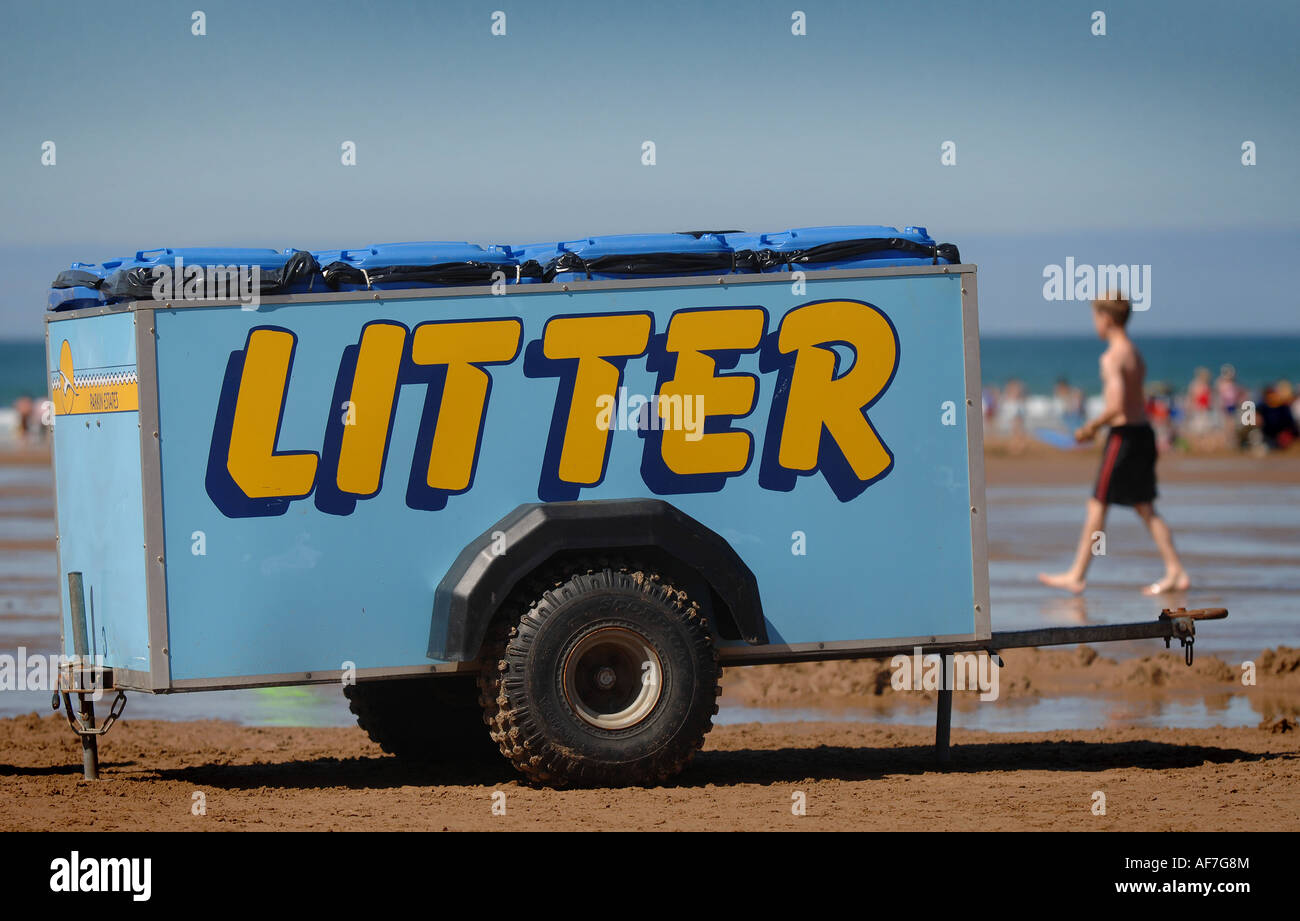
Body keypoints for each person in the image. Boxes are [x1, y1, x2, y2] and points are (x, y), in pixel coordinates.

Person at [1038, 294, 1189, 596]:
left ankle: (1077, 575)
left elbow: (1117, 405)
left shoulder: (1111, 357)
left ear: (1106, 318)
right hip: (1143, 433)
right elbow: (1133, 402)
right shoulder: (1134, 353)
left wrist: (1089, 427)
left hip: (1124, 438)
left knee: (1097, 504)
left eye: (1095, 316)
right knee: (1145, 506)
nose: (1094, 323)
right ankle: (1176, 570)